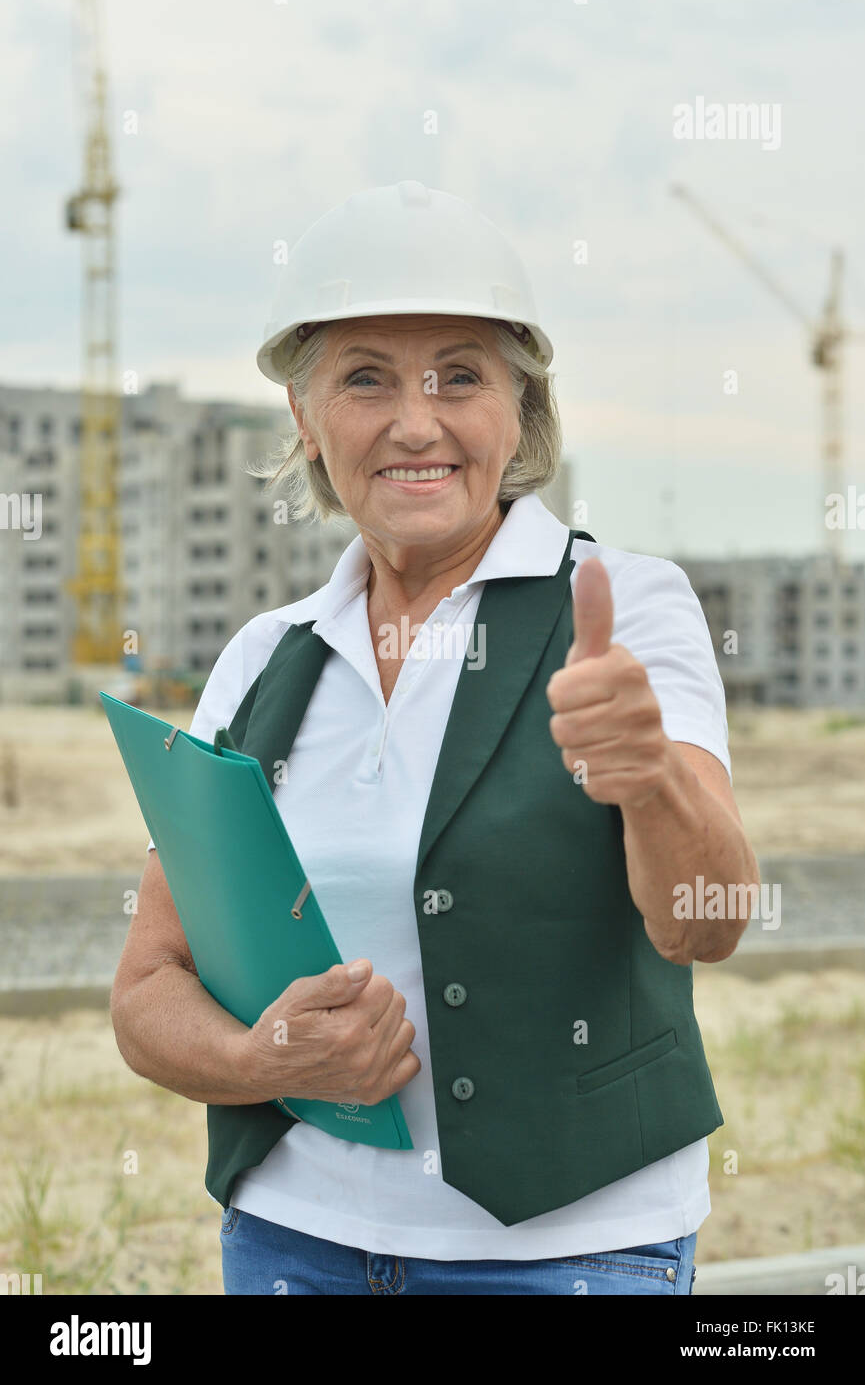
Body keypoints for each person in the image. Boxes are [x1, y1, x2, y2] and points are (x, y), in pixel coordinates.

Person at [110, 180, 759, 1296]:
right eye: (365, 379)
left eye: (459, 375)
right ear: (308, 423)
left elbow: (707, 924)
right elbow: (147, 985)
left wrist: (648, 777)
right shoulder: (267, 658)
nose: (416, 422)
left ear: (520, 411)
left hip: (569, 1255)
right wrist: (258, 1059)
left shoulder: (625, 604)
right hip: (290, 1245)